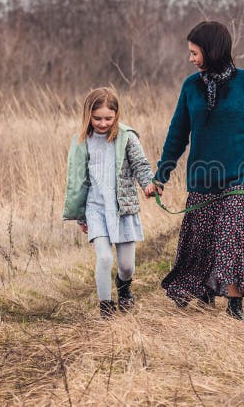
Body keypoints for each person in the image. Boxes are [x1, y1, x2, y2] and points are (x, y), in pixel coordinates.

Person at [146, 21, 244, 320]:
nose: (191, 58)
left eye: (195, 52)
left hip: (240, 177)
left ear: (212, 50)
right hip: (202, 179)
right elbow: (177, 135)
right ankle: (204, 294)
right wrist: (160, 177)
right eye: (190, 53)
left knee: (231, 236)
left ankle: (234, 307)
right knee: (201, 243)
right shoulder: (190, 87)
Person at [62, 87, 154, 318]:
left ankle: (124, 288)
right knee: (104, 258)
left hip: (123, 209)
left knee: (126, 266)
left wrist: (148, 185)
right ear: (88, 116)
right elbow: (78, 181)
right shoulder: (82, 142)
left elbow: (141, 165)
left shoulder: (126, 137)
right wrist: (81, 215)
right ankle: (106, 309)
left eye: (108, 118)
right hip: (96, 209)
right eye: (97, 118)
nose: (102, 123)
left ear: (117, 116)